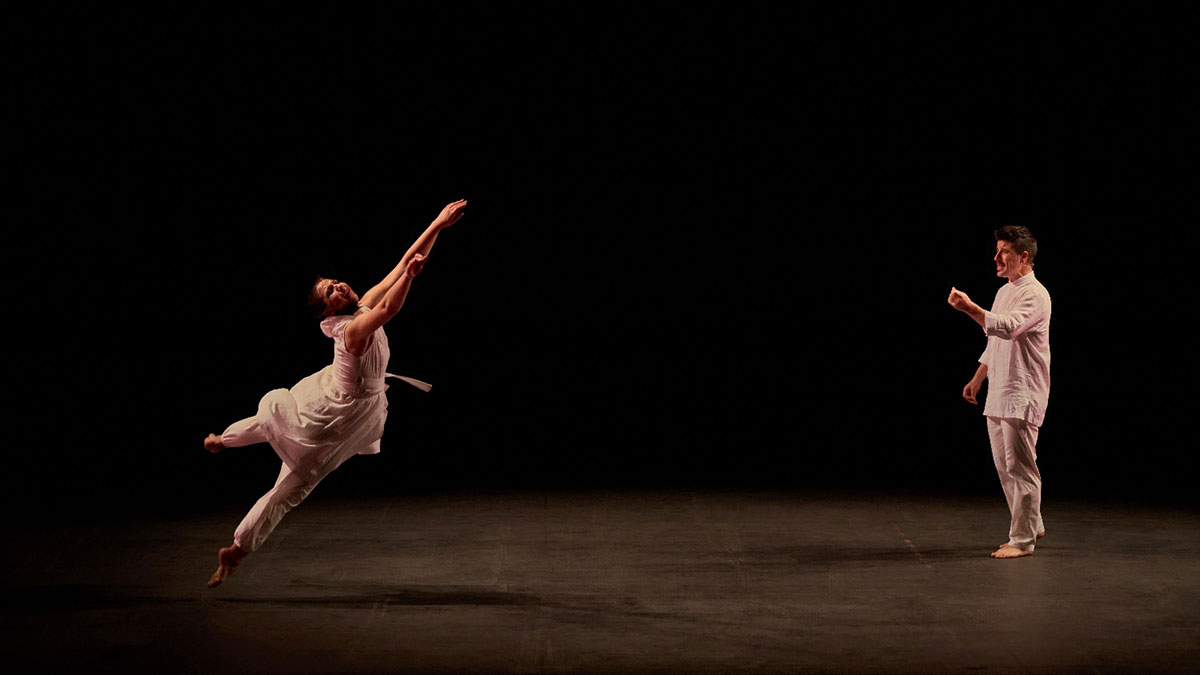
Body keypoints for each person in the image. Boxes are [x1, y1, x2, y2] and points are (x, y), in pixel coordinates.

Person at [202, 199, 467, 587]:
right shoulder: (351, 330)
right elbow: (391, 308)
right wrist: (410, 277)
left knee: (285, 481)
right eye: (331, 292)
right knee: (285, 450)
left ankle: (236, 546)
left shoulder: (360, 306)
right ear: (328, 313)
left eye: (335, 282)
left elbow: (405, 260)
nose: (339, 286)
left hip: (350, 403)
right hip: (330, 418)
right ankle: (224, 445)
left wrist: (438, 225)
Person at [947, 225, 1051, 559]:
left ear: (1024, 257)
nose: (996, 257)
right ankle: (1030, 521)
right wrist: (978, 377)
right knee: (1006, 467)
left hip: (1023, 392)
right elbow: (995, 342)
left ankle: (1022, 540)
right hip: (1000, 390)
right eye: (997, 250)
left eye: (1003, 251)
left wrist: (969, 309)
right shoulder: (1006, 291)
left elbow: (1007, 327)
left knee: (1022, 468)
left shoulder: (1036, 294)